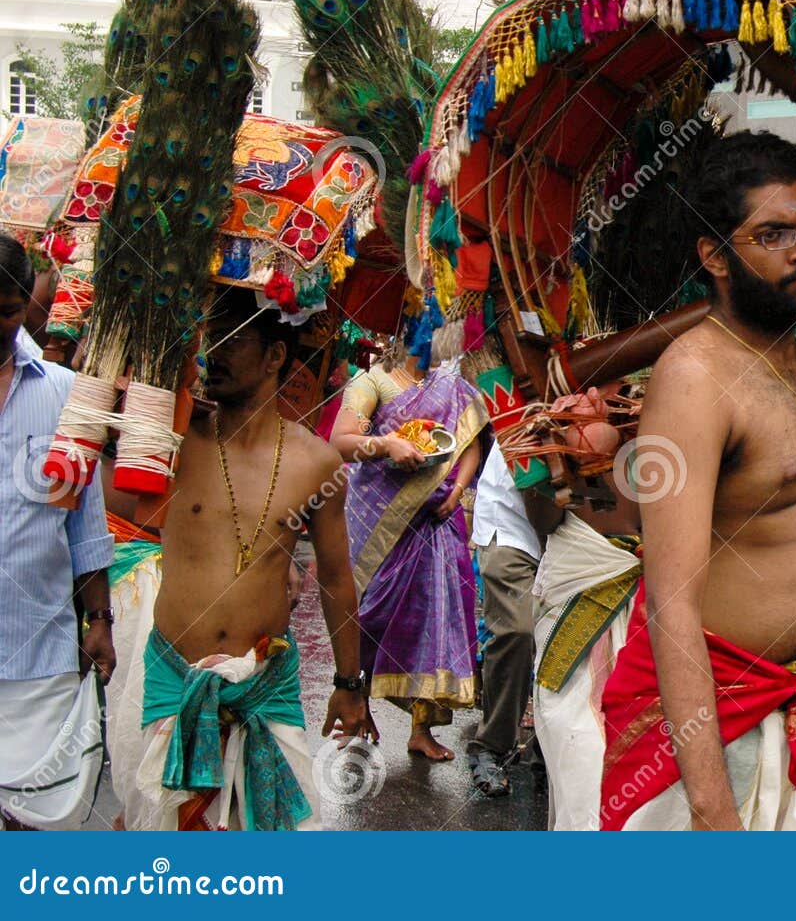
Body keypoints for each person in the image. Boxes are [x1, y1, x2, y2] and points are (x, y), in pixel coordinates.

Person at [598, 131, 796, 831]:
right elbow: (671, 605)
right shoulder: (695, 377)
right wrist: (713, 812)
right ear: (714, 255)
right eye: (772, 234)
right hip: (718, 724)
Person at [122, 286, 376, 831]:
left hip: (266, 688)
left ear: (275, 356)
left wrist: (350, 685)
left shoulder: (316, 461)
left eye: (232, 341)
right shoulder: (172, 439)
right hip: (172, 677)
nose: (214, 352)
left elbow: (335, 578)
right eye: (208, 339)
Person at [0, 236, 113, 830]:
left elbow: (84, 521)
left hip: (39, 652)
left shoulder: (63, 394)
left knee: (35, 821)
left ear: (26, 305)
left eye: (6, 311)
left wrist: (100, 621)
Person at [332, 345, 488, 763]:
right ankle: (355, 706)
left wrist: (457, 491)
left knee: (431, 621)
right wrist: (386, 445)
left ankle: (421, 730)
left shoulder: (453, 385)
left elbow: (470, 443)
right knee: (372, 617)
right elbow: (341, 442)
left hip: (436, 521)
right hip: (381, 523)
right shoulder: (373, 381)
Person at [530, 435, 642, 830]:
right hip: (578, 580)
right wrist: (542, 452)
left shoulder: (681, 387)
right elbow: (543, 520)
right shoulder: (544, 402)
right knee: (581, 760)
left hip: (662, 604)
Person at [465, 440, 544, 798]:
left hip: (573, 528)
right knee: (518, 630)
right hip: (511, 524)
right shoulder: (525, 397)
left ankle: (550, 748)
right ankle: (491, 745)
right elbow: (540, 491)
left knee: (570, 636)